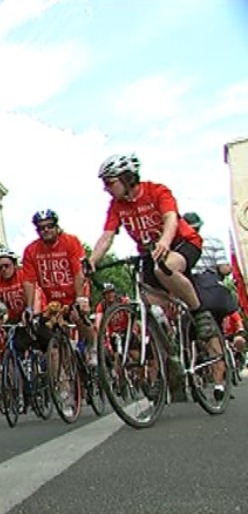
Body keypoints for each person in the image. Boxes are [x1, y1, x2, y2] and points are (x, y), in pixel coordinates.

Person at [86, 154, 224, 399]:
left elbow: (171, 219)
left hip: (182, 243)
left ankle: (198, 313)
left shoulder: (157, 191)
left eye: (110, 182)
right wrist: (92, 260)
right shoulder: (117, 206)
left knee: (163, 269)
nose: (106, 189)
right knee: (149, 304)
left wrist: (164, 241)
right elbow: (107, 236)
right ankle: (167, 357)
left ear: (127, 178)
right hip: (151, 253)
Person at [22, 210, 95, 365]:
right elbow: (29, 282)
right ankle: (63, 382)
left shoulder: (70, 241)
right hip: (53, 301)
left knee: (77, 316)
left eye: (49, 226)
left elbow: (78, 272)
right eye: (42, 228)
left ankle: (92, 347)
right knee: (49, 336)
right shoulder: (31, 250)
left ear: (57, 226)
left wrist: (80, 298)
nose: (46, 230)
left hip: (76, 292)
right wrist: (28, 308)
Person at [183, 212, 231, 277]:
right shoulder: (214, 241)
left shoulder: (177, 244)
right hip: (208, 281)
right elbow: (224, 270)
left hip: (183, 282)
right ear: (199, 226)